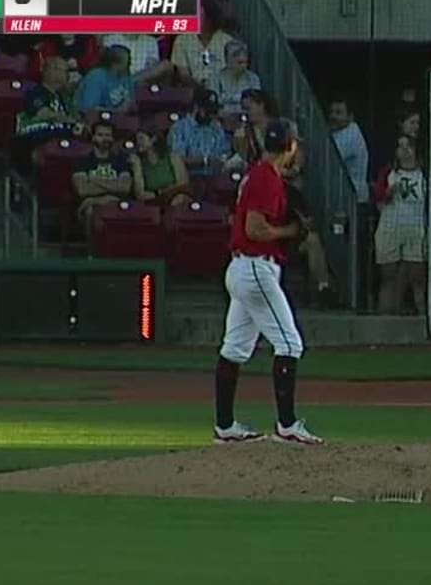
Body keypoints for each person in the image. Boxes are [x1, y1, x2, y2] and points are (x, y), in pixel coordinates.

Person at [212, 118, 324, 447]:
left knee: (234, 348)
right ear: (290, 147)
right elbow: (254, 229)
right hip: (255, 268)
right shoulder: (266, 178)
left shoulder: (262, 175)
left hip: (244, 268)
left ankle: (225, 426)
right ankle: (287, 425)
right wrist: (290, 231)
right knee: (290, 344)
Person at [373, 134, 428, 314]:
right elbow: (377, 201)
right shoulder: (388, 173)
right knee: (387, 276)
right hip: (390, 227)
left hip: (417, 228)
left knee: (417, 277)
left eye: (408, 146)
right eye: (400, 146)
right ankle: (385, 317)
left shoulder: (426, 174)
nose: (404, 151)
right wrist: (387, 194)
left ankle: (422, 315)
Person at [130, 129, 191, 207]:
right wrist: (160, 193)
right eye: (136, 140)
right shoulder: (138, 162)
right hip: (155, 202)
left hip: (176, 196)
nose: (138, 142)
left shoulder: (172, 156)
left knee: (179, 200)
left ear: (153, 139)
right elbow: (140, 194)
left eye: (141, 138)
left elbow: (183, 182)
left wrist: (160, 192)